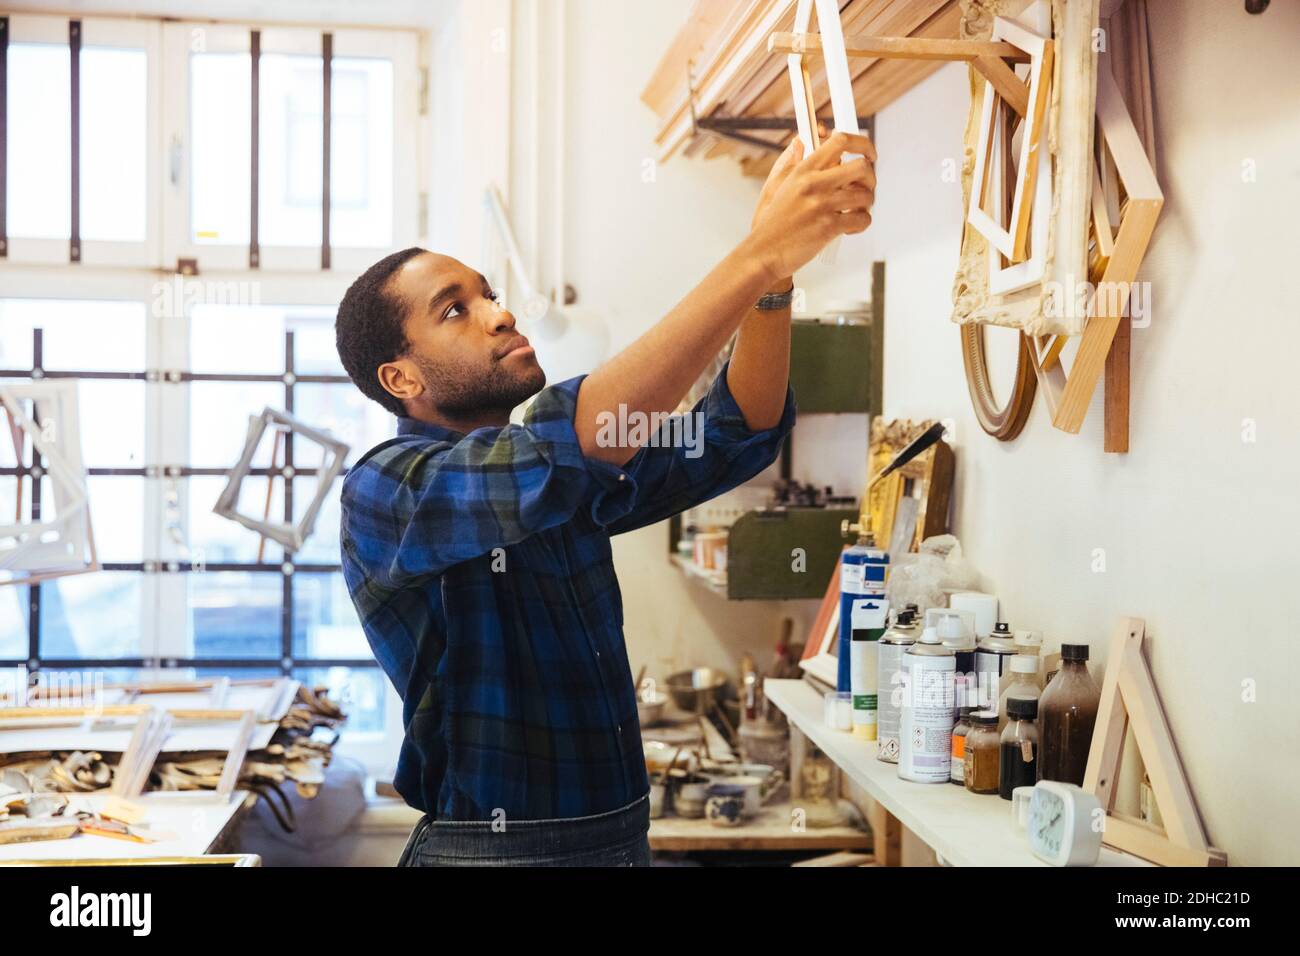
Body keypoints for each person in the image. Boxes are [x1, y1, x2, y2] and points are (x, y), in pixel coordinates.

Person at [334, 131, 876, 866]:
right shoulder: (389, 488)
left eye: (489, 294)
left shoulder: (552, 482)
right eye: (455, 310)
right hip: (493, 853)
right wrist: (757, 256)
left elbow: (734, 433)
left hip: (618, 838)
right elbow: (566, 450)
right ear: (401, 380)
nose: (500, 313)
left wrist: (771, 285)